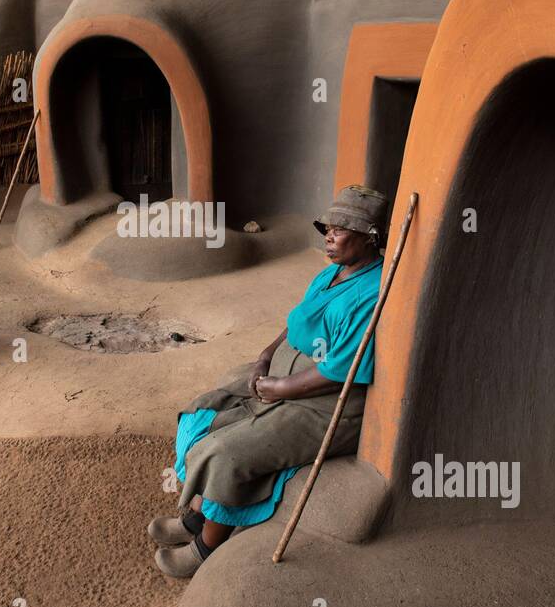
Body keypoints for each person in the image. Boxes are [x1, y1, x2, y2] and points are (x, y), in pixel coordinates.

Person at [149, 185, 389, 578]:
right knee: (206, 410)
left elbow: (342, 371)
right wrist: (264, 358)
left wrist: (281, 389)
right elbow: (294, 324)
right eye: (327, 227)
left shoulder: (373, 292)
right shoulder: (330, 274)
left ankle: (207, 545)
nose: (328, 236)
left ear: (370, 237)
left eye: (341, 229)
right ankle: (196, 514)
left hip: (323, 405)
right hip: (280, 380)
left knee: (229, 453)